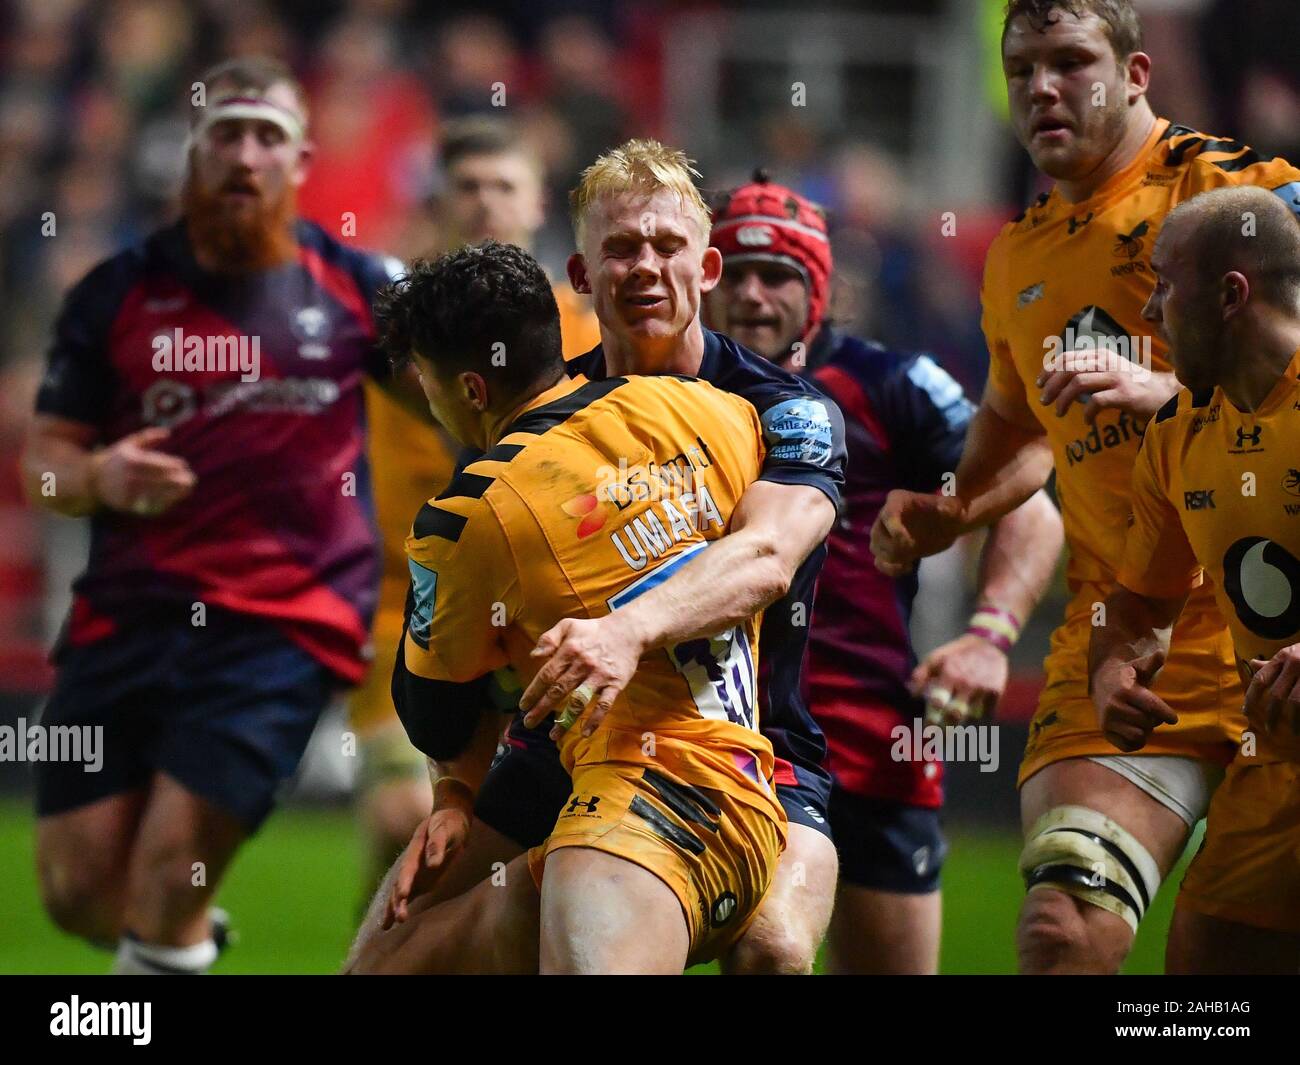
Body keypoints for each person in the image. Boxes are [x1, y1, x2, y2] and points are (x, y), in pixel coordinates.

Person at [870, 0, 1300, 973]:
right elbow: (1025, 429)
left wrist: (1178, 389)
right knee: (1063, 932)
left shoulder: (1239, 190)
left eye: (1070, 61)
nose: (1042, 88)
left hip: (1268, 639)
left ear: (1137, 73)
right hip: (1128, 642)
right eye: (1021, 68)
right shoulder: (1018, 254)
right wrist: (950, 508)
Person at [353, 139, 848, 974]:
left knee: (773, 948)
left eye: (666, 246)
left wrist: (626, 630)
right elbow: (471, 606)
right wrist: (454, 790)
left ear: (707, 265)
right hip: (559, 743)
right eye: (620, 248)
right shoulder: (541, 414)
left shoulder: (777, 407)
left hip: (756, 740)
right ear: (581, 276)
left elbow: (765, 555)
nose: (645, 267)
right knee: (382, 952)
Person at [19, 56, 424, 974]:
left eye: (267, 137)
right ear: (192, 153)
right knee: (78, 894)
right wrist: (97, 477)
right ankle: (185, 947)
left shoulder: (356, 285)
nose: (246, 155)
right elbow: (44, 469)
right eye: (226, 135)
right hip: (126, 617)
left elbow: (464, 402)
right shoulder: (113, 294)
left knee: (169, 875)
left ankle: (161, 957)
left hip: (281, 628)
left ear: (302, 159)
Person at [703, 172, 1063, 973]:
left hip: (874, 738)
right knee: (765, 954)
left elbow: (1028, 507)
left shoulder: (895, 385)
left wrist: (990, 637)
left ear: (820, 287)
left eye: (780, 275)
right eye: (735, 272)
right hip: (718, 735)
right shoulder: (673, 394)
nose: (754, 295)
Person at [349, 117, 597, 895]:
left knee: (513, 844)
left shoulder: (586, 326)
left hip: (543, 616)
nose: (486, 202)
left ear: (536, 205)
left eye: (503, 186)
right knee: (404, 815)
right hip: (401, 609)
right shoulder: (387, 326)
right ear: (438, 203)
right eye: (468, 186)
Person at [1090, 186, 1300, 974]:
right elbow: (1143, 598)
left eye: (1164, 285)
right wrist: (1113, 670)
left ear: (1231, 293)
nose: (1148, 311)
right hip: (1278, 771)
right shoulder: (1180, 435)